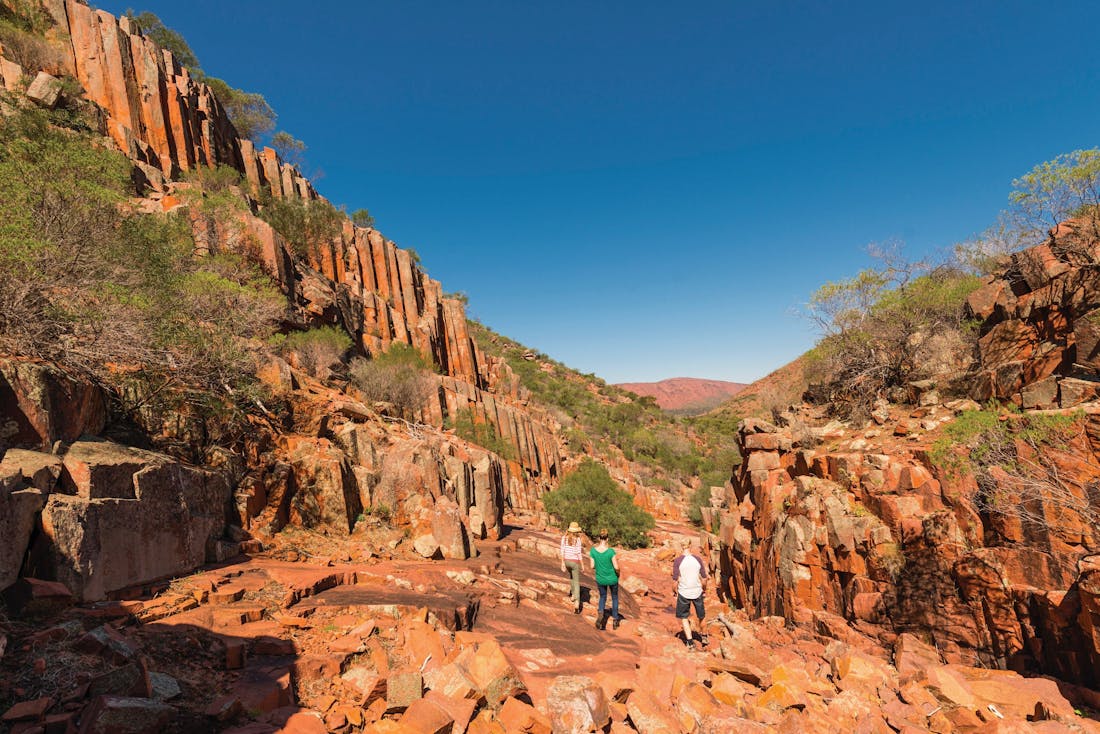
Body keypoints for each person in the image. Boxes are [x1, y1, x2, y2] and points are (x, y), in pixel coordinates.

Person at [672, 538, 708, 650]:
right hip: (697, 591)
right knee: (701, 616)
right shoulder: (697, 559)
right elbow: (704, 578)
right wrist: (704, 589)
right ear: (690, 545)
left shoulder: (678, 561)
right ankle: (705, 637)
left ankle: (690, 642)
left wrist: (674, 591)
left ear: (681, 546)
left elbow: (675, 581)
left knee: (684, 617)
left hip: (684, 592)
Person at [588, 529, 621, 630]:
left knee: (603, 597)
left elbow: (592, 566)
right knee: (614, 597)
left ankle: (601, 613)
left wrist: (600, 565)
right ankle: (615, 620)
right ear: (607, 539)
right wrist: (618, 574)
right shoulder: (611, 552)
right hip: (612, 579)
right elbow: (616, 567)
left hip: (600, 578)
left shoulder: (593, 551)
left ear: (599, 538)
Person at [559, 521, 585, 614]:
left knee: (571, 577)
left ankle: (573, 595)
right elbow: (578, 553)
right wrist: (582, 564)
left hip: (566, 561)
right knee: (576, 581)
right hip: (574, 562)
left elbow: (562, 551)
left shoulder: (564, 538)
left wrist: (562, 563)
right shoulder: (577, 539)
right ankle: (577, 603)